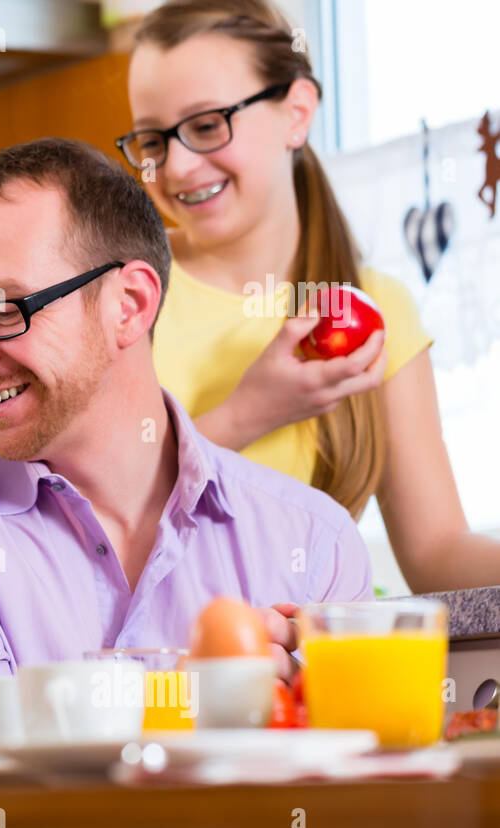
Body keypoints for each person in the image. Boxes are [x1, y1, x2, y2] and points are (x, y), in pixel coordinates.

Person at [0, 138, 371, 738]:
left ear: (129, 304)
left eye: (3, 307)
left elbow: (354, 800)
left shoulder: (318, 544)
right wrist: (220, 707)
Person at [121, 0, 500, 592]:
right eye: (153, 140)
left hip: (322, 669)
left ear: (297, 113)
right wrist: (248, 413)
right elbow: (88, 519)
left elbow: (437, 554)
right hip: (168, 676)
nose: (178, 166)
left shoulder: (377, 308)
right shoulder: (123, 293)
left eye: (206, 125)